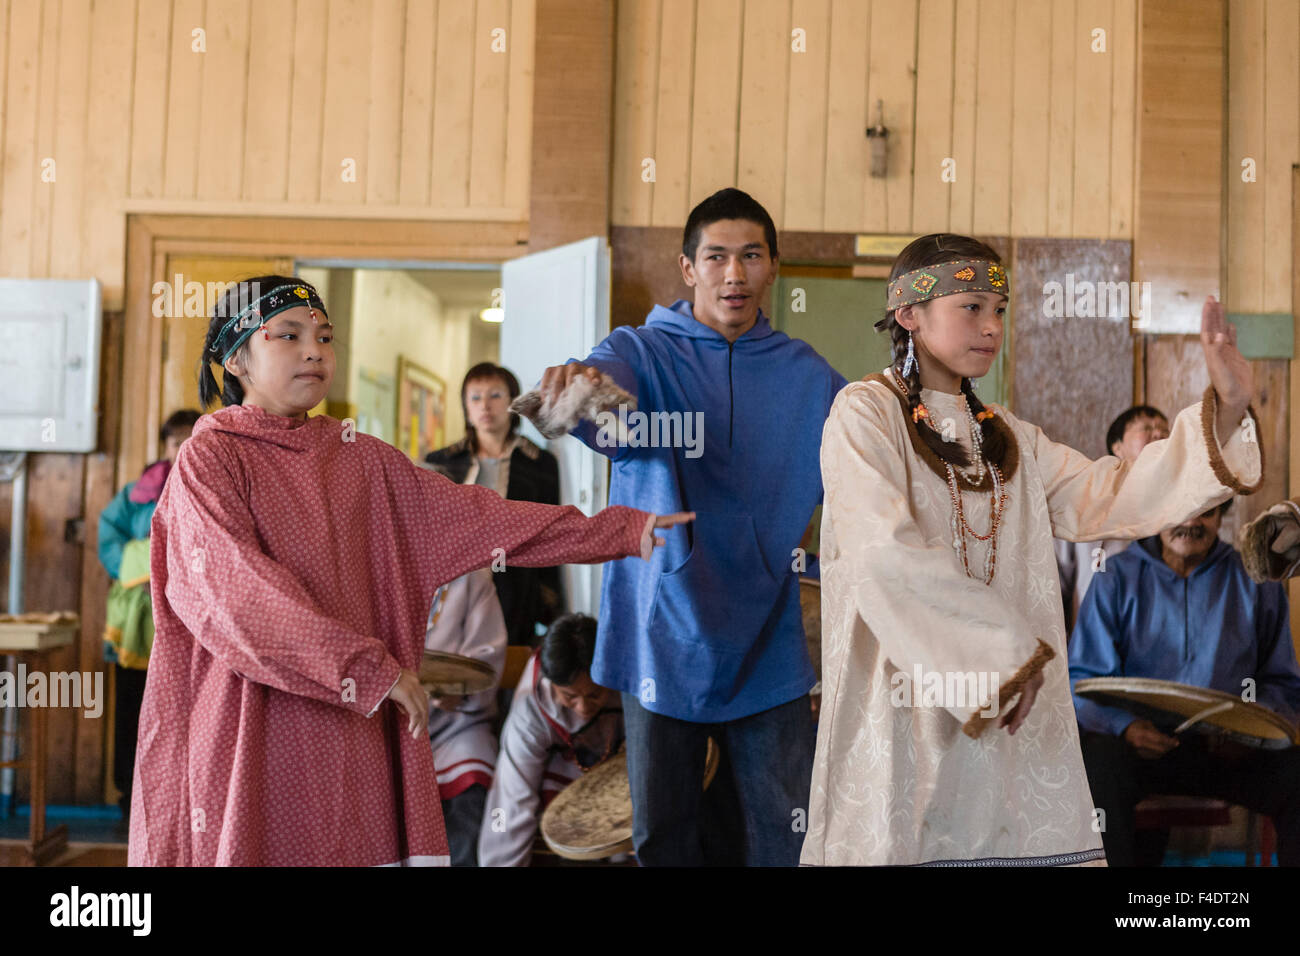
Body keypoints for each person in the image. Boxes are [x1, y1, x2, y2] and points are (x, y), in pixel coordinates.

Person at [128, 275, 691, 867]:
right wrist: (367, 673)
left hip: (353, 727)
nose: (314, 350)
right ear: (236, 358)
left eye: (324, 336)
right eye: (288, 336)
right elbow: (237, 597)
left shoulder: (361, 459)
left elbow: (484, 518)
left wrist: (621, 530)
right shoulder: (210, 459)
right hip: (253, 724)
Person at [802, 233, 1263, 867]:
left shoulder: (1008, 436)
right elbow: (882, 553)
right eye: (971, 307)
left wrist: (1227, 411)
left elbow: (1115, 491)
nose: (992, 327)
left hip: (1009, 706)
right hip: (909, 701)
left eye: (999, 309)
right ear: (910, 314)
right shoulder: (863, 414)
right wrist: (997, 658)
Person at [530, 188, 848, 866]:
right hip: (659, 633)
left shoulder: (810, 378)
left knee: (785, 836)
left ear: (772, 268)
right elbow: (600, 399)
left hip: (767, 637)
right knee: (662, 837)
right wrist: (578, 391)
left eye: (750, 256)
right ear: (688, 268)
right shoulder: (640, 352)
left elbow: (868, 476)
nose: (733, 274)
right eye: (716, 257)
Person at [1070, 501, 1300, 866]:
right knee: (1098, 765)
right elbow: (1082, 681)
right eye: (1179, 507)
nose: (1191, 521)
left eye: (1206, 510)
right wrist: (1126, 728)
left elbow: (1282, 682)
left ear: (1221, 513)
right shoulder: (1116, 577)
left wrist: (1250, 729)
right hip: (1141, 747)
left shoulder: (1254, 579)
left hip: (1229, 752)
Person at [98, 408, 200, 829]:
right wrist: (140, 572)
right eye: (175, 442)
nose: (183, 449)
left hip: (190, 620)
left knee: (185, 712)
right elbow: (110, 538)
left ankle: (181, 801)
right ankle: (129, 797)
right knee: (133, 708)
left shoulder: (211, 486)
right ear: (163, 446)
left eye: (191, 440)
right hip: (138, 624)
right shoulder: (136, 494)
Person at [427, 364, 564, 646]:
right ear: (465, 406)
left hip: (517, 586)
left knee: (508, 664)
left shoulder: (539, 463)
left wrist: (550, 600)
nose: (485, 406)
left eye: (495, 395)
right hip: (453, 584)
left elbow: (552, 534)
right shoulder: (441, 461)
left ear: (513, 401)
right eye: (475, 397)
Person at [478, 613, 624, 867]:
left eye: (594, 694)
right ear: (551, 683)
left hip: (621, 766)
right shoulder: (531, 709)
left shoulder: (623, 679)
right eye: (570, 696)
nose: (582, 707)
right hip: (560, 771)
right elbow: (513, 798)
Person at [1054, 405, 1169, 634]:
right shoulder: (1086, 505)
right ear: (1117, 447)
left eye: (1165, 431)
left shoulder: (1179, 508)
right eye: (1146, 428)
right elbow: (1053, 589)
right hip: (1093, 650)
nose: (1158, 435)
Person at [423, 568, 506, 867]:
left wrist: (460, 691)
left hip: (458, 724)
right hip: (389, 727)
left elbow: (488, 651)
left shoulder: (473, 575)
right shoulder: (370, 571)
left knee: (471, 774)